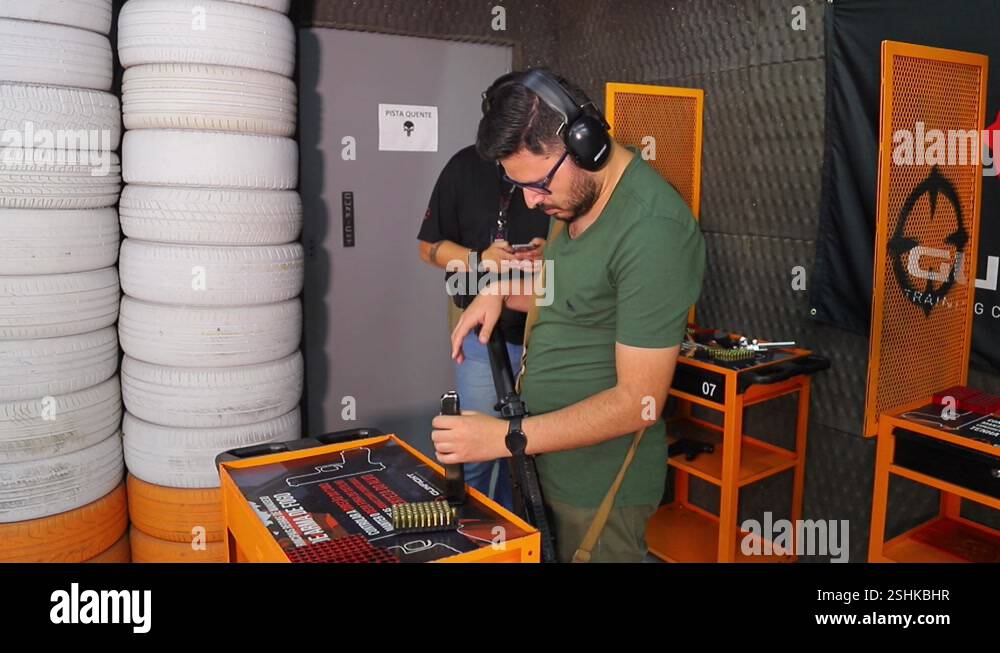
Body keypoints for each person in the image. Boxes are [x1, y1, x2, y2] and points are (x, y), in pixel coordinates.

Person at [430, 69, 706, 562]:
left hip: (598, 490)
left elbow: (638, 402)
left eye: (536, 184)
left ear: (585, 144)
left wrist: (505, 438)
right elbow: (573, 291)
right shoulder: (575, 203)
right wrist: (500, 292)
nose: (532, 202)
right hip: (544, 466)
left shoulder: (653, 230)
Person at [417, 144, 548, 509]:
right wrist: (480, 260)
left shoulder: (560, 165)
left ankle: (512, 541)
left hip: (549, 339)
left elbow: (583, 253)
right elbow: (428, 248)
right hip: (486, 343)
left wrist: (548, 250)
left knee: (526, 465)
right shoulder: (464, 167)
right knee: (471, 462)